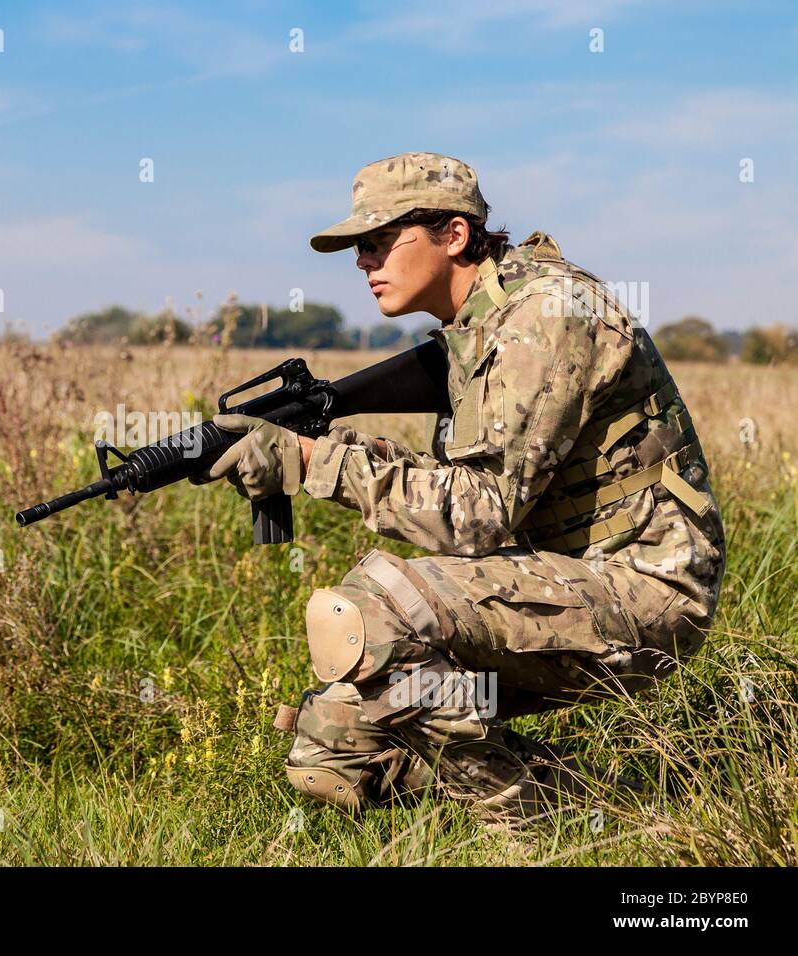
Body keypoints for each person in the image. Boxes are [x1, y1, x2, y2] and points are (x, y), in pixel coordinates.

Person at [200, 152, 726, 826]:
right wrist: (328, 448)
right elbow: (468, 482)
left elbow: (479, 519)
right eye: (360, 246)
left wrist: (313, 462)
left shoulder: (544, 316)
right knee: (332, 741)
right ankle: (610, 807)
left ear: (453, 235)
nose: (364, 261)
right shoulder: (477, 329)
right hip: (568, 580)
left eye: (381, 240)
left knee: (376, 610)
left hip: (648, 591)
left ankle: (526, 819)